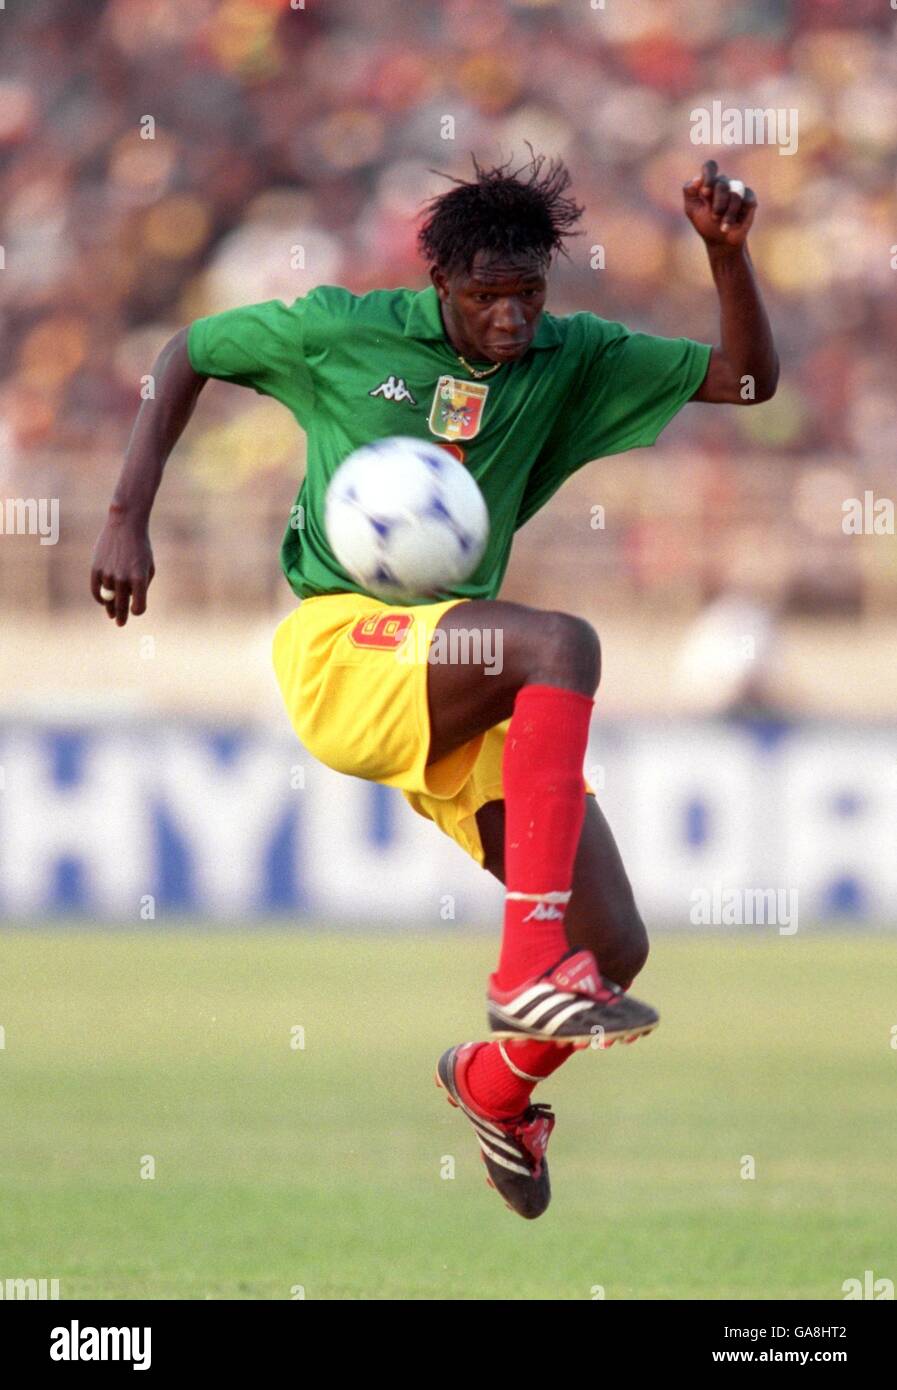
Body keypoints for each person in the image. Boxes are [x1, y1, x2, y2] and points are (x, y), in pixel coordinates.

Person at [92, 152, 778, 1219]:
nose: (511, 320)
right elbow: (191, 349)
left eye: (528, 297)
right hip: (342, 648)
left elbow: (745, 379)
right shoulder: (339, 331)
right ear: (441, 284)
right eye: (487, 298)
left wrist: (725, 256)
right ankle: (520, 976)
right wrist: (125, 515)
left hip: (461, 678)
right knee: (561, 642)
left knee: (615, 944)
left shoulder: (571, 354)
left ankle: (494, 1084)